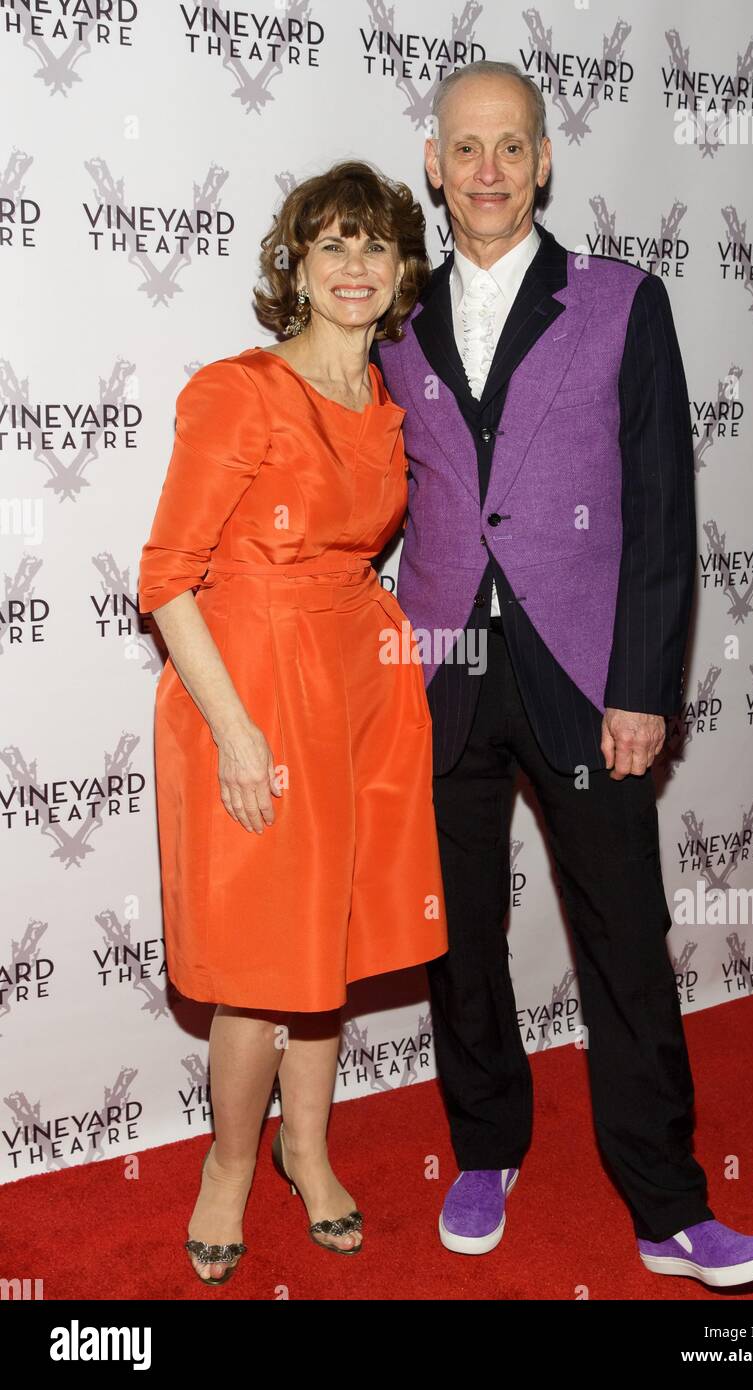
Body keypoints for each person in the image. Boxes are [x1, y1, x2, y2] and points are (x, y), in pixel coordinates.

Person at [371, 61, 753, 1289]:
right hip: (442, 664)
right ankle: (485, 1144)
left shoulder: (617, 299)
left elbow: (661, 506)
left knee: (623, 938)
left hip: (580, 665)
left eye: (511, 146)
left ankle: (666, 1203)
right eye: (465, 147)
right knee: (460, 934)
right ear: (434, 165)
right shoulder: (389, 319)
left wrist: (644, 683)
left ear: (543, 162)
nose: (488, 169)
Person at [137, 160, 447, 1284]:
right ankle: (229, 1164)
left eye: (374, 245)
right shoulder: (239, 392)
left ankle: (306, 1151)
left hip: (356, 694)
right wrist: (237, 732)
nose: (354, 264)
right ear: (296, 267)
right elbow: (167, 577)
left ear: (402, 268)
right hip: (251, 691)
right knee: (261, 966)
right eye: (331, 245)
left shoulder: (389, 405)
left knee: (330, 950)